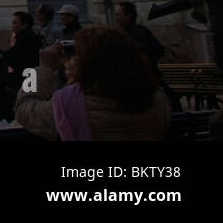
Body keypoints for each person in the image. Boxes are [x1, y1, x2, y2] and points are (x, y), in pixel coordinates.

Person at [15, 27, 171, 140]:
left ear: (86, 66)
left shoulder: (68, 107)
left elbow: (24, 108)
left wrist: (41, 69)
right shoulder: (158, 102)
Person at [114, 2, 164, 73]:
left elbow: (159, 51)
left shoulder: (141, 32)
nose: (116, 18)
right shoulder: (119, 34)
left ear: (128, 16)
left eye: (118, 15)